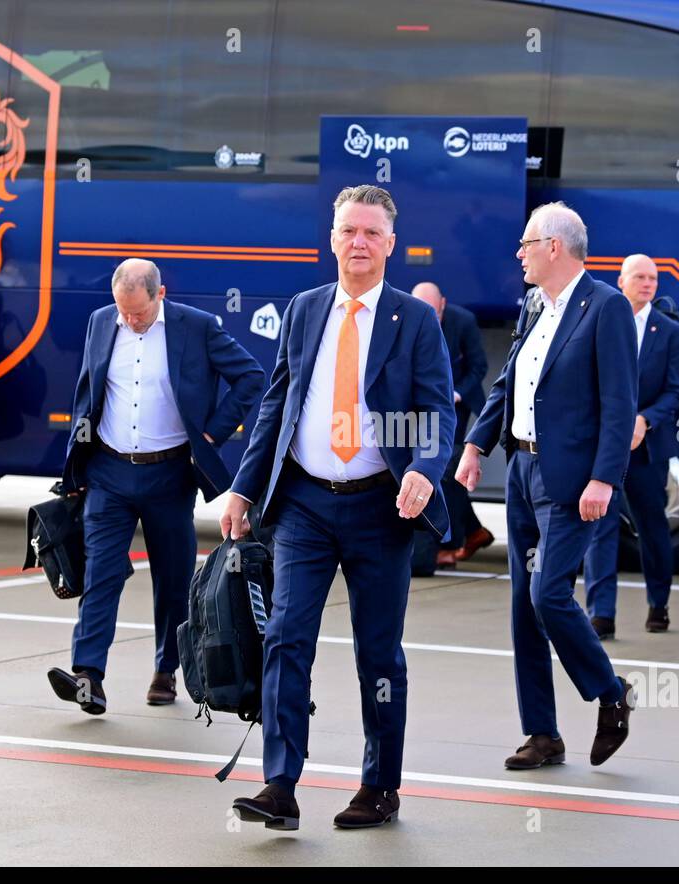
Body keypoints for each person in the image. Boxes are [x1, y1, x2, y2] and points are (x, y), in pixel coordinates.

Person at [221, 185, 454, 830]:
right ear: (332, 238)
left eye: (371, 233)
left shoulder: (416, 320)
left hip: (382, 507)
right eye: (349, 230)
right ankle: (280, 784)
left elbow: (437, 412)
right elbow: (277, 403)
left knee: (378, 654)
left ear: (390, 244)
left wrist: (426, 472)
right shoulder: (304, 310)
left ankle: (380, 787)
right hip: (303, 505)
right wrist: (243, 487)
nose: (358, 242)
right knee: (287, 638)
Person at [456, 201, 638, 772]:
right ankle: (542, 733)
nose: (520, 254)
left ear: (554, 247)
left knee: (548, 595)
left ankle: (611, 693)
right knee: (522, 607)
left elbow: (619, 402)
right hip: (522, 470)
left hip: (571, 479)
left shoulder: (605, 308)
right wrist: (475, 445)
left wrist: (605, 478)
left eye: (527, 244)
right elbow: (508, 381)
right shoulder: (536, 304)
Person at [48, 258, 264, 713]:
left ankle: (167, 670)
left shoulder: (196, 326)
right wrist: (77, 466)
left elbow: (251, 377)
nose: (128, 320)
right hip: (108, 471)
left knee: (173, 578)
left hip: (170, 473)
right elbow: (87, 391)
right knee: (100, 573)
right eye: (122, 311)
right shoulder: (101, 322)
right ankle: (89, 675)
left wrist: (212, 434)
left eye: (138, 313)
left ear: (159, 295)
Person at [583, 254, 679, 638]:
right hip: (605, 445)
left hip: (647, 448)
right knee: (601, 527)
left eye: (654, 279)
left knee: (652, 526)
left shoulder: (669, 331)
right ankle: (602, 613)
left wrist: (645, 419)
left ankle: (659, 604)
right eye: (640, 277)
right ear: (622, 280)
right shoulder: (601, 320)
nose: (648, 284)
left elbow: (676, 387)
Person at [410, 282, 492, 568]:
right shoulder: (407, 317)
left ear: (443, 304)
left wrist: (457, 393)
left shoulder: (463, 321)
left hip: (456, 404)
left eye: (433, 312)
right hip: (421, 405)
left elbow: (478, 366)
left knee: (449, 467)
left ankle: (460, 537)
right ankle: (471, 532)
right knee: (442, 473)